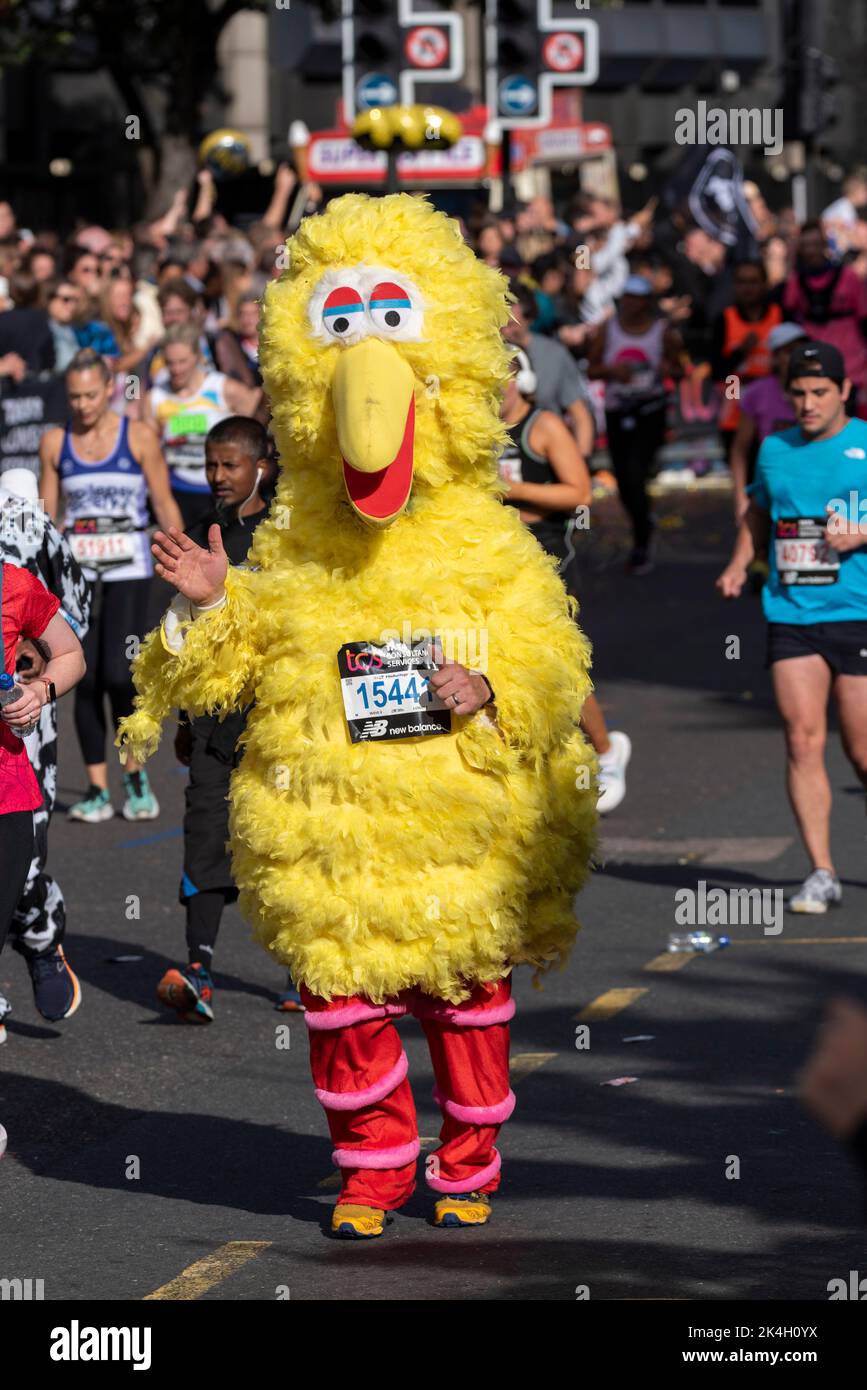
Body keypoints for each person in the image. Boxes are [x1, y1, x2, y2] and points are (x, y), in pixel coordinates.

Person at [155, 417, 302, 1021]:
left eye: (229, 465)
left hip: (278, 718)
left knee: (285, 843)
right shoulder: (199, 536)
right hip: (216, 722)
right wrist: (187, 721)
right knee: (204, 834)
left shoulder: (287, 533)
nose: (217, 476)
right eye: (210, 465)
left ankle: (303, 972)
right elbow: (184, 636)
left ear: (259, 466)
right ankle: (199, 970)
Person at [717, 341, 867, 913]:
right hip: (791, 610)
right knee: (802, 738)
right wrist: (738, 563)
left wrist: (860, 533)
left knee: (861, 751)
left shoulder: (864, 445)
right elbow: (758, 510)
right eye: (798, 393)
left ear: (844, 391)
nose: (807, 404)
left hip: (858, 611)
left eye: (819, 393)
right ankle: (822, 871)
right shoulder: (775, 449)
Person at [39, 348, 183, 821]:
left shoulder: (137, 435)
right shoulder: (56, 442)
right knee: (87, 678)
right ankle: (99, 789)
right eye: (73, 397)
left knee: (122, 675)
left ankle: (135, 774)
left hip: (130, 570)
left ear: (108, 390)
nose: (81, 405)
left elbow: (163, 505)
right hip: (79, 577)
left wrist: (182, 563)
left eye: (89, 396)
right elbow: (46, 517)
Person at [499, 349, 632, 812]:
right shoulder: (474, 432)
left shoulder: (543, 426)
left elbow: (579, 492)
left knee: (559, 662)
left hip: (546, 558)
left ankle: (605, 751)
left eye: (498, 377)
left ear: (522, 379)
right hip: (492, 562)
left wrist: (511, 490)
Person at [0, 469, 91, 1032]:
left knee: (26, 860)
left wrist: (36, 681)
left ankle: (40, 942)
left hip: (25, 730)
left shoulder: (32, 552)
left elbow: (74, 625)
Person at [0, 551, 85, 970]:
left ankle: (39, 935)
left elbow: (71, 654)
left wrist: (38, 693)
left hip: (5, 798)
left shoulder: (12, 585)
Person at [587, 274, 683, 574]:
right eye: (626, 297)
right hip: (619, 411)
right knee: (624, 478)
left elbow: (680, 368)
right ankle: (642, 521)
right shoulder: (609, 329)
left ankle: (642, 539)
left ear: (646, 302)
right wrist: (613, 371)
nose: (630, 303)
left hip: (650, 411)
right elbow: (592, 368)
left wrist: (669, 368)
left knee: (636, 473)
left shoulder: (662, 332)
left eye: (636, 298)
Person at [144, 323, 262, 526]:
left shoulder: (221, 387)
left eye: (183, 361)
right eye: (170, 363)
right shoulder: (155, 398)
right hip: (179, 491)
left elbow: (256, 420)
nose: (176, 369)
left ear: (198, 357)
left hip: (221, 490)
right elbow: (150, 450)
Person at [503, 281, 595, 460]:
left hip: (547, 456)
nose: (505, 332)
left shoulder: (554, 354)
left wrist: (580, 462)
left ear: (529, 319)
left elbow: (580, 415)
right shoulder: (487, 355)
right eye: (500, 324)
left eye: (512, 324)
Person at [783, 222, 867, 414]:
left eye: (815, 244)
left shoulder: (849, 276)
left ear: (825, 245)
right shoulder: (795, 281)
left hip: (852, 365)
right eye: (806, 246)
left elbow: (864, 318)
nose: (811, 251)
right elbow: (788, 320)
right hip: (812, 362)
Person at [729, 322, 808, 521]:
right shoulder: (757, 393)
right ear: (774, 357)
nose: (796, 358)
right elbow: (740, 450)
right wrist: (740, 498)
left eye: (801, 351)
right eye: (788, 351)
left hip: (810, 486)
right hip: (770, 489)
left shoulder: (822, 390)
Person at [711, 259, 783, 465]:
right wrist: (740, 352)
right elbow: (717, 371)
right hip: (734, 413)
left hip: (773, 413)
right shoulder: (724, 320)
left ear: (764, 284)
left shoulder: (779, 316)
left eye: (754, 281)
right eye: (742, 282)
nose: (748, 288)